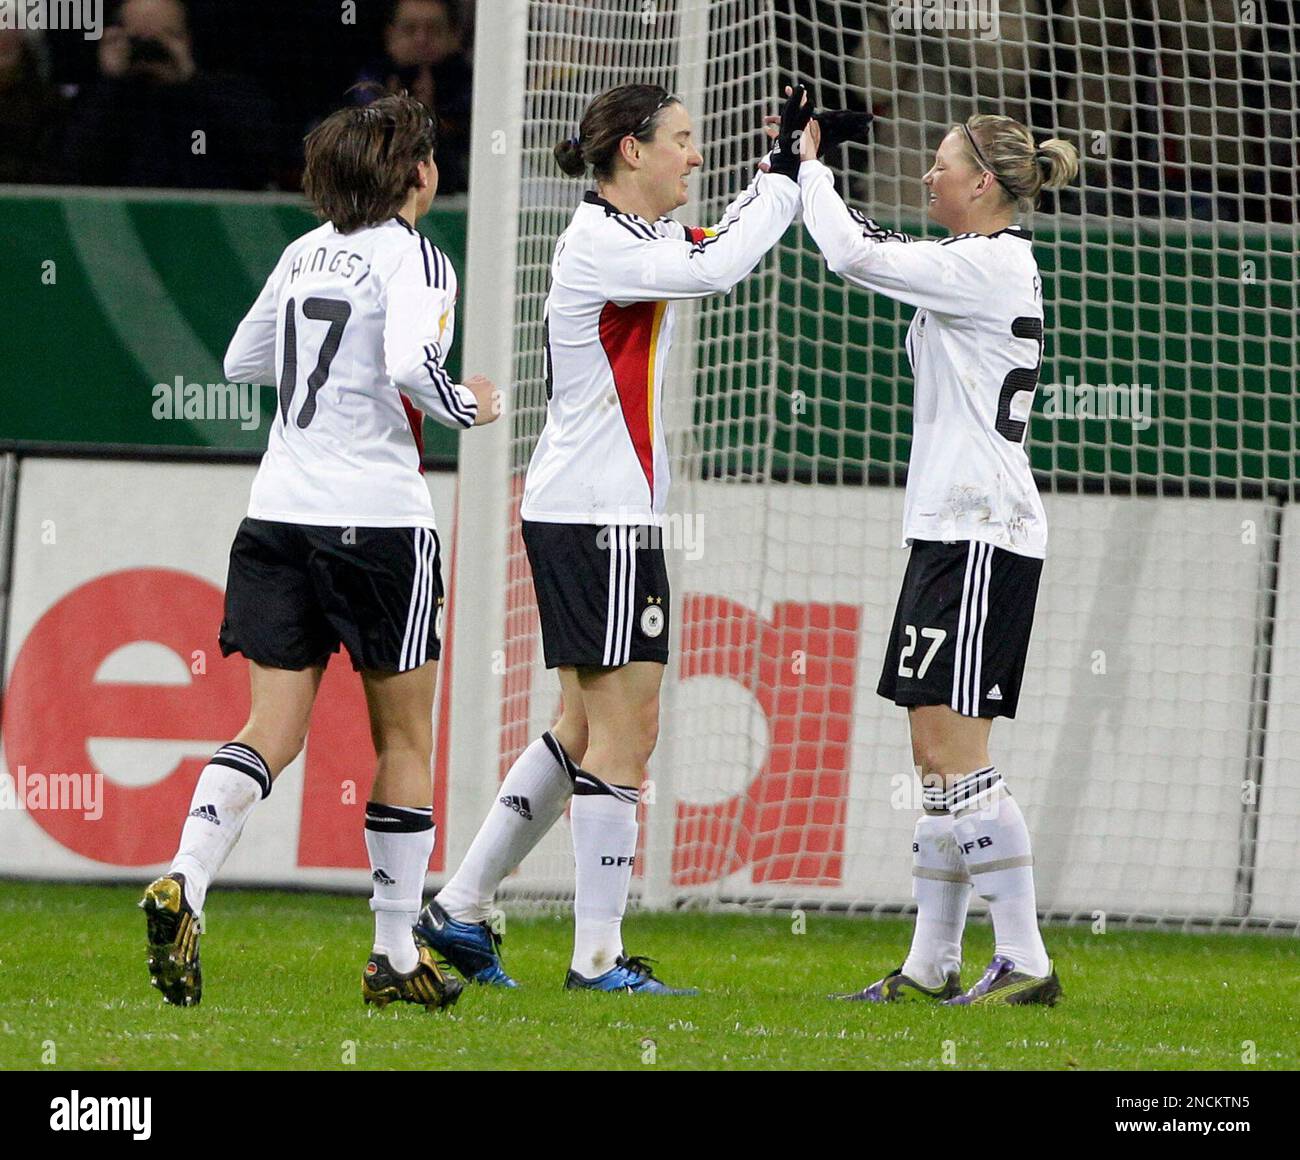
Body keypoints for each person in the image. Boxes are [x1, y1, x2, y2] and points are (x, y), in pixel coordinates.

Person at [414, 82, 812, 994]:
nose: (692, 155)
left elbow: (708, 246)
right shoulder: (603, 242)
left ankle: (461, 909)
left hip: (584, 509)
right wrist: (788, 180)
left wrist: (777, 167)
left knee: (584, 725)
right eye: (680, 139)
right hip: (601, 517)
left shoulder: (638, 238)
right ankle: (595, 957)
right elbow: (719, 268)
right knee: (628, 737)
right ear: (631, 152)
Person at [139, 91, 498, 1011]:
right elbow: (418, 368)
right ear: (417, 173)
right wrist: (472, 406)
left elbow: (239, 362)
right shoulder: (417, 256)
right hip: (375, 522)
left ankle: (187, 874)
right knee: (405, 739)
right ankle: (391, 952)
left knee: (272, 728)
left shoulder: (303, 253)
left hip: (276, 517)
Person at [798, 113, 1078, 1005]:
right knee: (933, 758)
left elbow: (852, 253)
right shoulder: (978, 264)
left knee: (953, 752)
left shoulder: (986, 265)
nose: (927, 175)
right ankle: (930, 965)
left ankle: (1026, 959)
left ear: (984, 184)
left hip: (982, 535)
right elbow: (877, 247)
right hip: (951, 532)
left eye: (943, 163)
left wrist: (803, 168)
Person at [60, 0, 274, 189]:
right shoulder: (102, 101)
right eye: (138, 40)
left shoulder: (226, 95)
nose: (152, 49)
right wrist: (110, 82)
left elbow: (253, 165)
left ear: (188, 39)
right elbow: (75, 167)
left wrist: (190, 82)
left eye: (168, 35)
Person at [354, 0, 472, 195]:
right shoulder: (370, 80)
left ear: (454, 35)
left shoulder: (470, 87)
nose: (421, 39)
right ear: (390, 35)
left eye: (433, 30)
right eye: (410, 29)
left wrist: (431, 119)